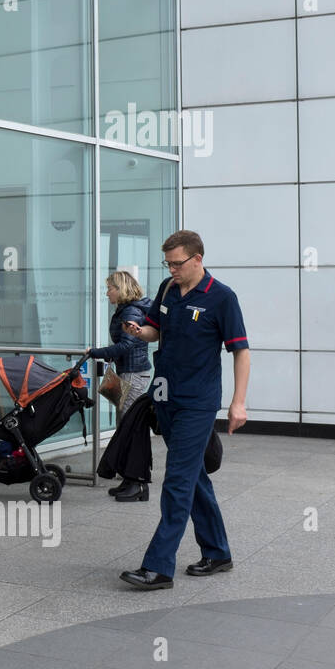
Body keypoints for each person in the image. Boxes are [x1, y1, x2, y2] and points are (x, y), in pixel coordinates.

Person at [118, 230, 250, 589]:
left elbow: (241, 351)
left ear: (197, 259)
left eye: (177, 263)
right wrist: (138, 331)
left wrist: (238, 402)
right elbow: (155, 331)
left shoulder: (222, 298)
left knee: (176, 480)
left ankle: (158, 567)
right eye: (168, 263)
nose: (172, 269)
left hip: (197, 402)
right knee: (193, 477)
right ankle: (218, 551)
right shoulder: (166, 290)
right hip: (166, 397)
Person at [87, 271, 153, 501]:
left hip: (134, 374)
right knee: (126, 426)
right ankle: (129, 480)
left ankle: (137, 483)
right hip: (129, 371)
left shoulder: (131, 311)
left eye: (110, 288)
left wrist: (97, 353)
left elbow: (126, 345)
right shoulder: (126, 309)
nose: (107, 293)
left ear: (121, 289)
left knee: (131, 428)